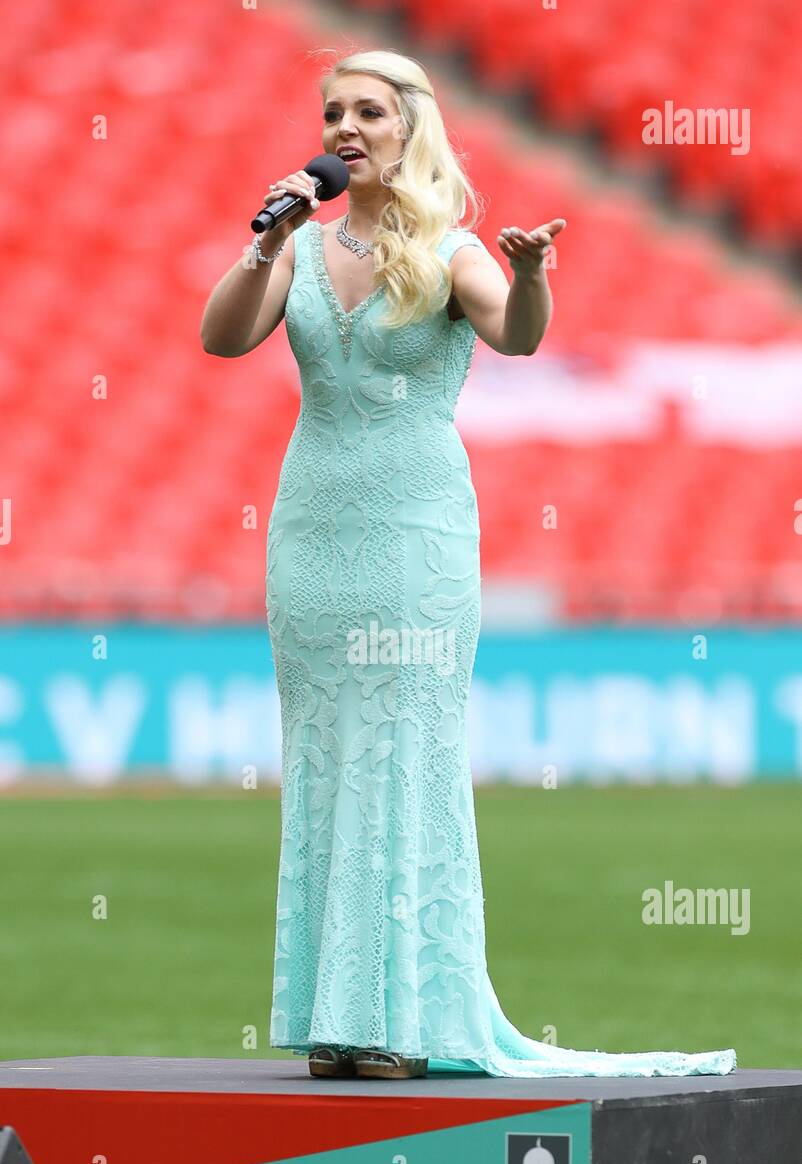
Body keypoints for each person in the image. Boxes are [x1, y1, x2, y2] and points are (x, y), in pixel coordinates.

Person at [201, 50, 737, 1083]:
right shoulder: (300, 248)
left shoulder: (449, 251)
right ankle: (335, 1019)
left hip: (415, 539)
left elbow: (516, 335)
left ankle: (401, 1017)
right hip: (312, 532)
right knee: (323, 757)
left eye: (368, 110)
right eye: (332, 111)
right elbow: (222, 338)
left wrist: (530, 272)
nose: (346, 126)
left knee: (404, 758)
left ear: (411, 129)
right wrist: (260, 242)